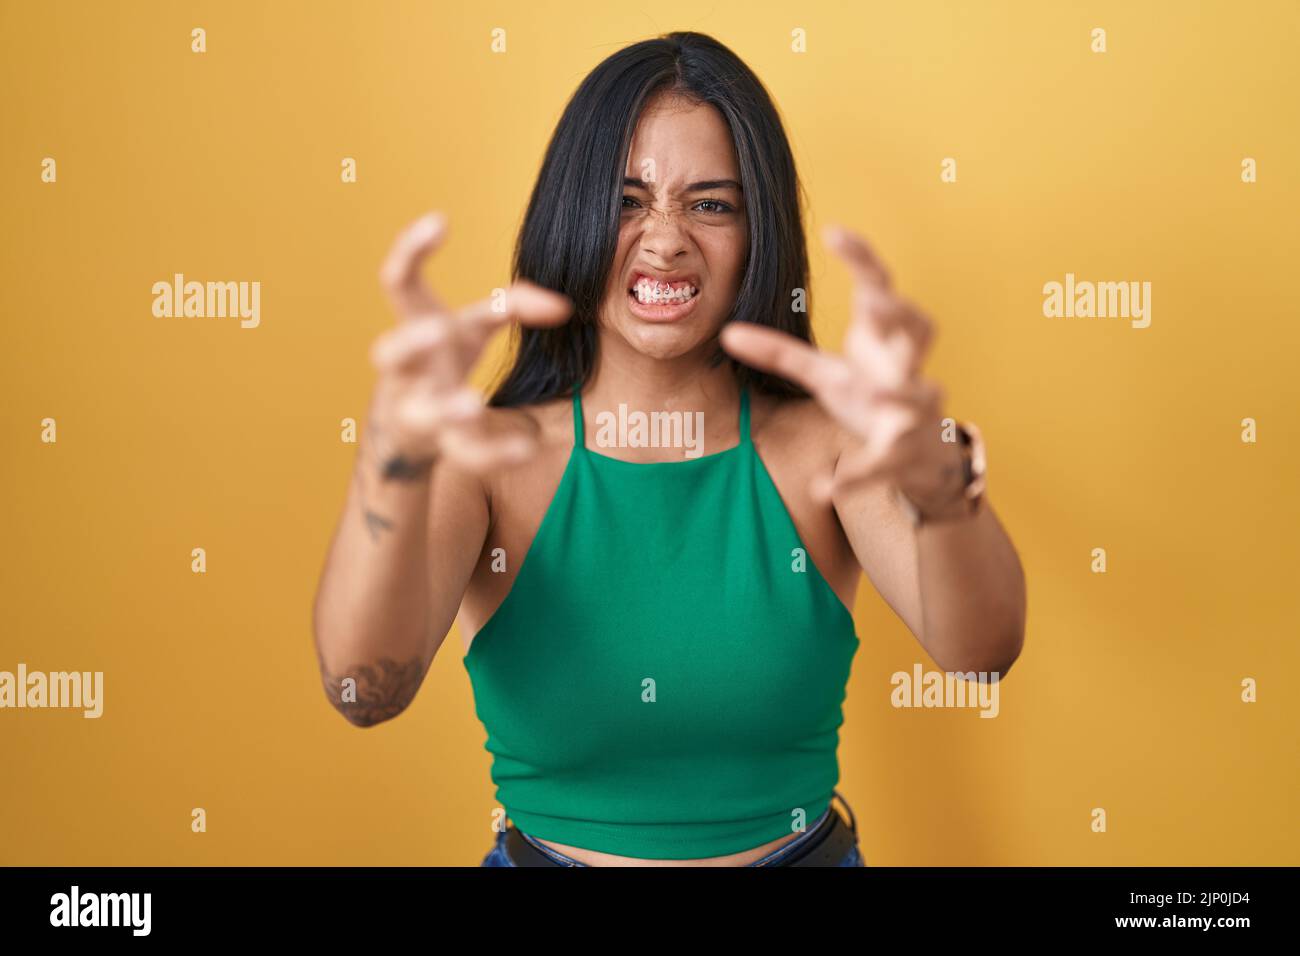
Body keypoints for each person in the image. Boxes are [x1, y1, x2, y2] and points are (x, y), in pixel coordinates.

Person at [312, 31, 1026, 867]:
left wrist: (942, 486)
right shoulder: (485, 457)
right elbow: (364, 691)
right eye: (627, 200)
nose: (665, 240)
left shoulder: (832, 450)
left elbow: (981, 660)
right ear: (571, 215)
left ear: (759, 233)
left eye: (710, 204)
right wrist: (391, 459)